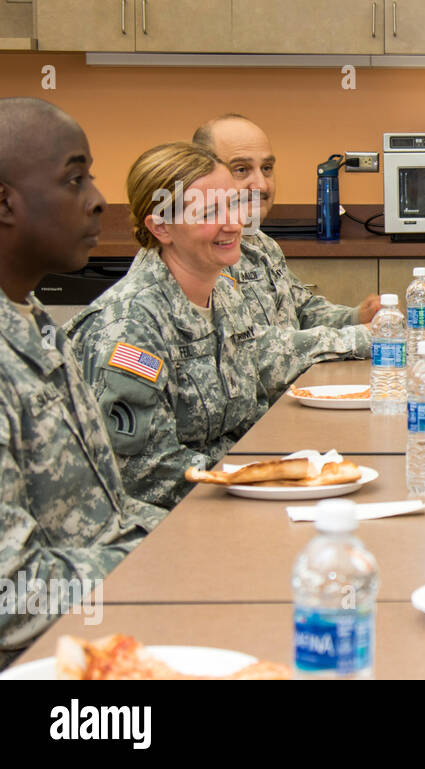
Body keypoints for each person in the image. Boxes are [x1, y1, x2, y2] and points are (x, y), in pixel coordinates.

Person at [67, 143, 366, 510]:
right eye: (209, 211)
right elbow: (144, 476)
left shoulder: (224, 292)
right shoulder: (129, 325)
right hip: (173, 522)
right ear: (161, 226)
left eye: (234, 204)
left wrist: (291, 468)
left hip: (235, 492)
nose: (233, 223)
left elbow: (255, 392)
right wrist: (263, 481)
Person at [0, 98, 166, 669]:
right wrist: (173, 560)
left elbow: (104, 517)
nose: (98, 199)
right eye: (75, 179)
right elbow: (10, 596)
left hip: (100, 625)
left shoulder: (33, 322)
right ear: (4, 202)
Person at [193, 114, 381, 332]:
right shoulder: (200, 251)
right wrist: (362, 336)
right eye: (241, 169)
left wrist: (355, 317)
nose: (261, 185)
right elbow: (257, 348)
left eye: (267, 168)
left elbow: (301, 310)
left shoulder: (262, 243)